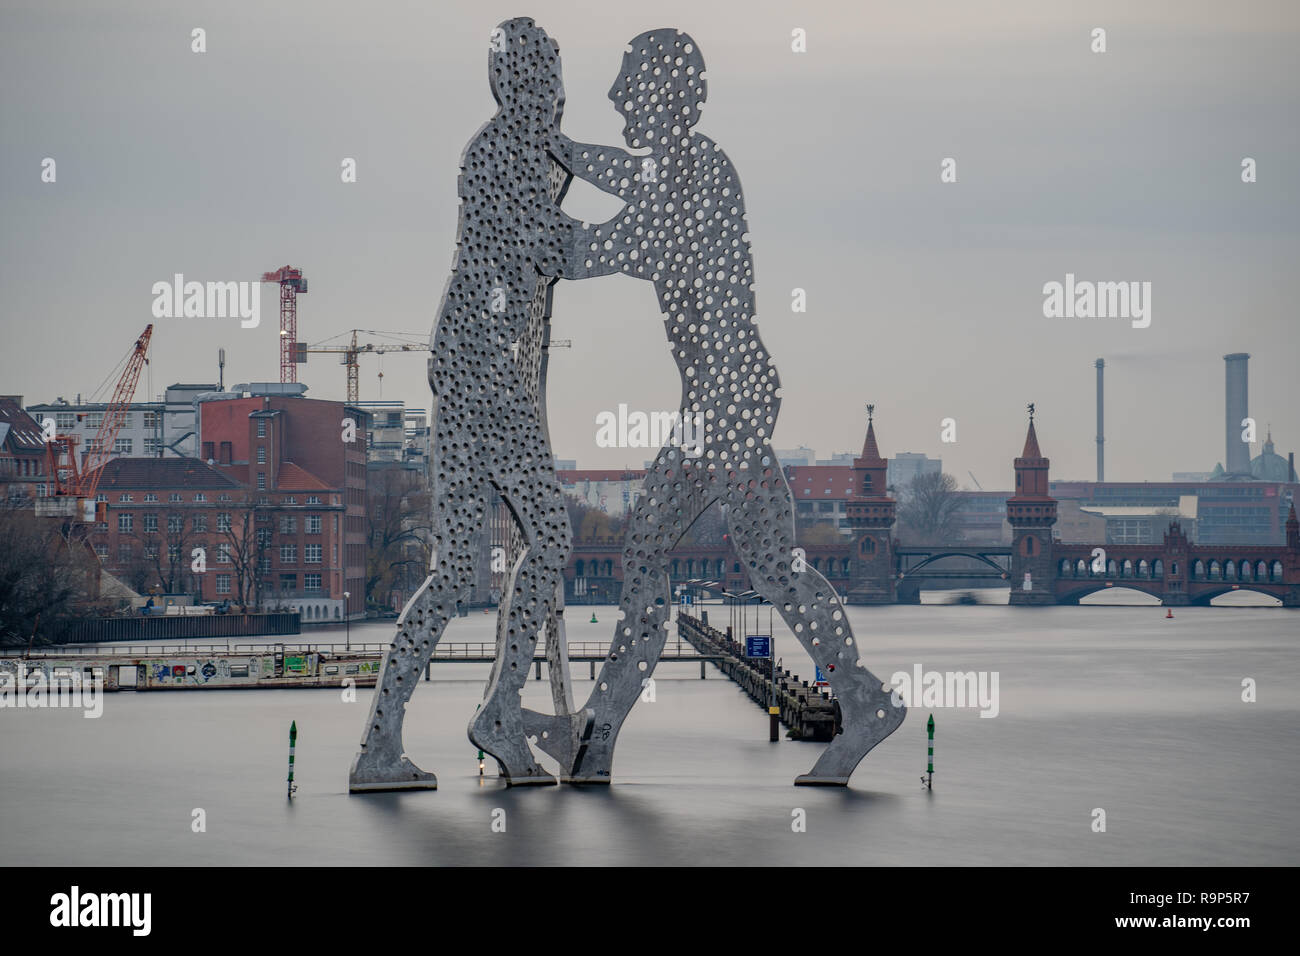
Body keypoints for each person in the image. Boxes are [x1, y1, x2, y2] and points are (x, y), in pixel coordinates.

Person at [526, 29, 904, 786]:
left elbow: (595, 246)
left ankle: (594, 736)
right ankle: (861, 701)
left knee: (654, 558)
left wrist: (532, 196)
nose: (615, 96)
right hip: (723, 404)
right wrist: (559, 154)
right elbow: (626, 188)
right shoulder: (684, 172)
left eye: (627, 81)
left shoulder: (696, 175)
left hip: (725, 407)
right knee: (769, 567)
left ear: (662, 92)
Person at [349, 17, 586, 791]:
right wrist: (647, 232)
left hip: (464, 366)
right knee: (549, 536)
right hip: (483, 370)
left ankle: (383, 743)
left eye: (554, 77)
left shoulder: (514, 153)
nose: (554, 92)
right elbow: (553, 247)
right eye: (543, 78)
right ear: (517, 84)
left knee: (455, 569)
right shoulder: (501, 155)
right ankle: (498, 712)